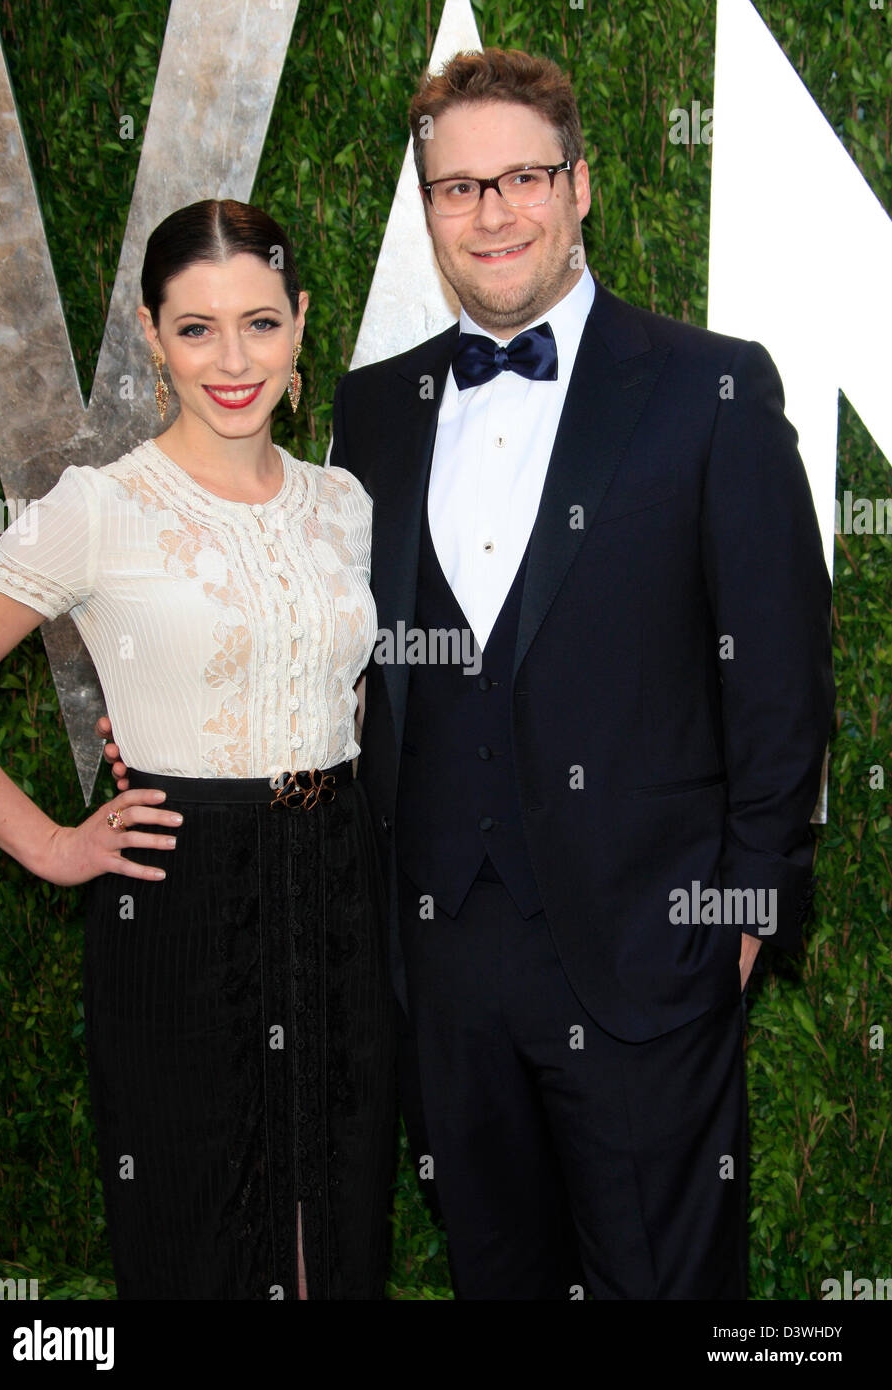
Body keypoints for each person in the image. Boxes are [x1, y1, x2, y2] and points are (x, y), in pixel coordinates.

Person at [326, 48, 835, 1299]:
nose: (491, 211)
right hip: (443, 965)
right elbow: (339, 652)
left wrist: (742, 910)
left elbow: (777, 669)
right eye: (457, 188)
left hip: (647, 950)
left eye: (521, 177)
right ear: (428, 207)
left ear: (580, 186)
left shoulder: (708, 387)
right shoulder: (371, 409)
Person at [0, 199, 394, 1300]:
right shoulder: (100, 510)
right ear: (152, 338)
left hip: (339, 892)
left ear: (301, 322)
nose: (232, 358)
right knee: (198, 1219)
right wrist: (51, 844)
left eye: (259, 321)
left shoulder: (342, 505)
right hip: (181, 898)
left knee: (334, 1215)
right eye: (195, 328)